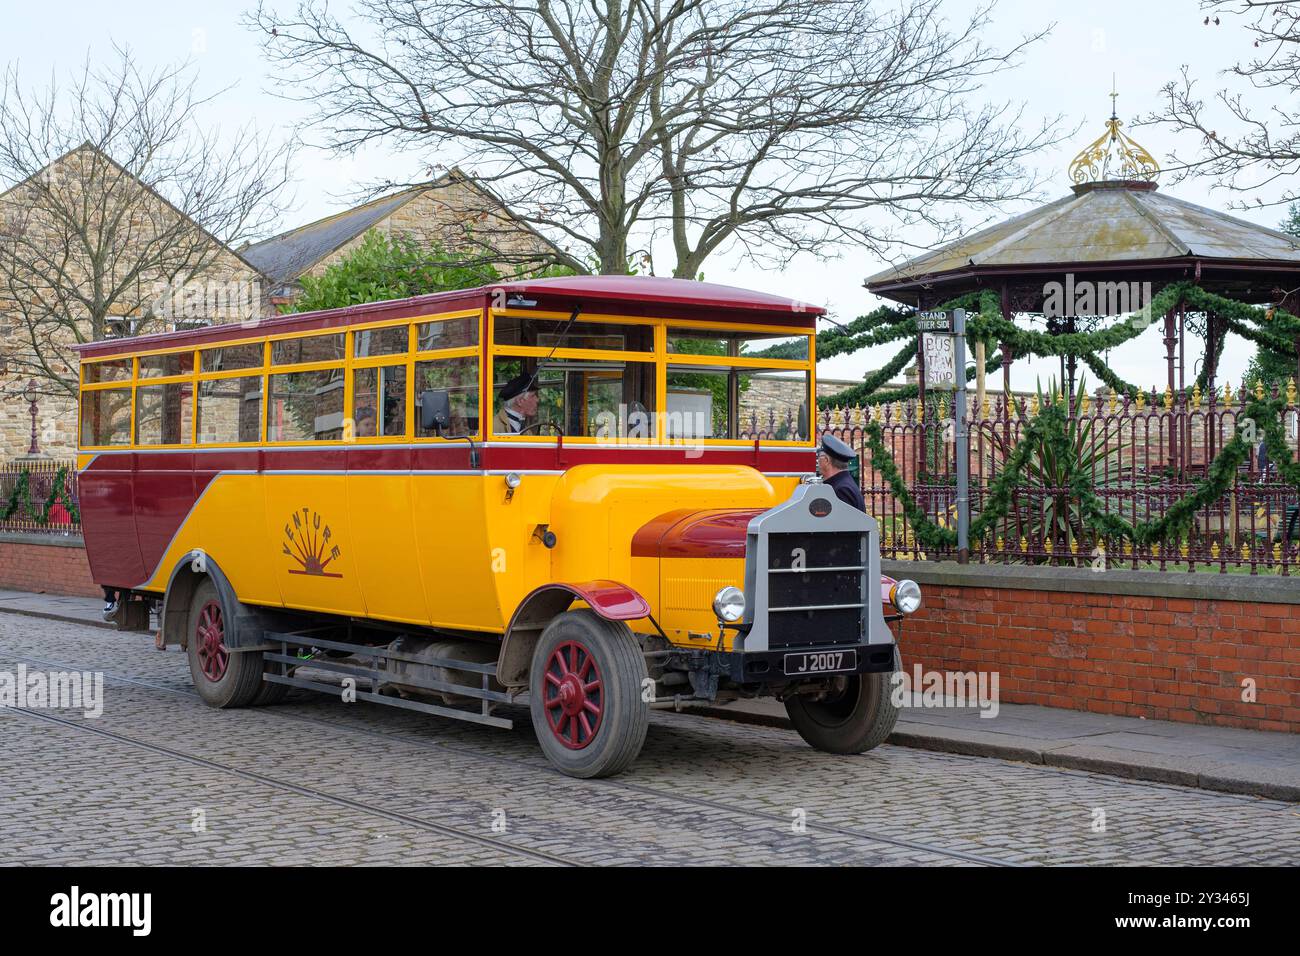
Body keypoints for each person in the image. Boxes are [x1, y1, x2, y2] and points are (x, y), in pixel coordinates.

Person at [817, 432, 866, 512]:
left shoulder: (841, 489)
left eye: (819, 457)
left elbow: (842, 522)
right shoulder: (842, 483)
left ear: (826, 460)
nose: (817, 461)